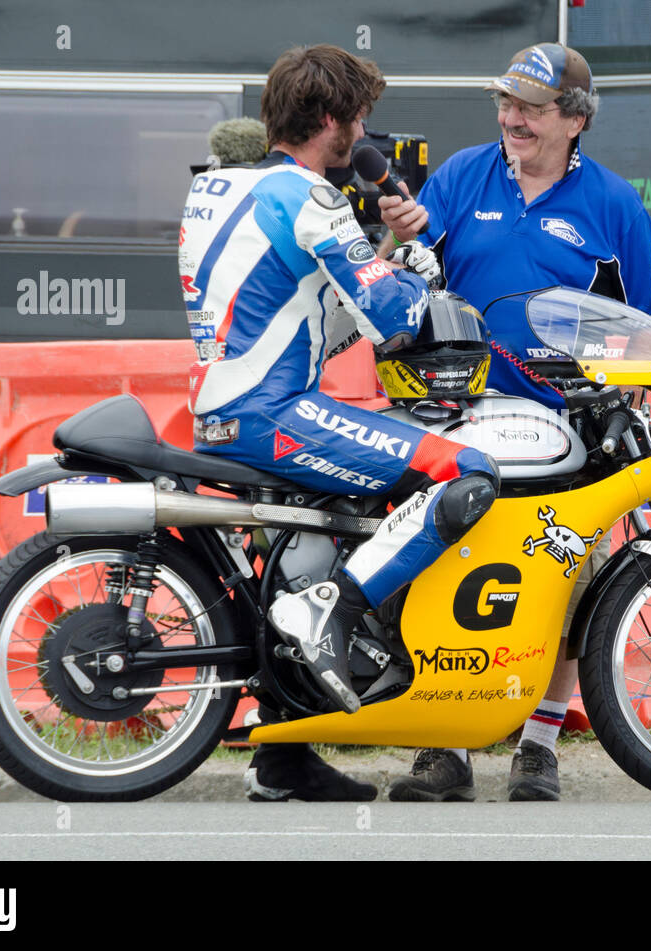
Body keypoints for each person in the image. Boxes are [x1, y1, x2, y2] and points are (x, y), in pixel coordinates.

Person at [178, 45, 498, 800]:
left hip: (220, 410)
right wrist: (417, 267)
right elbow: (387, 317)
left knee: (300, 562)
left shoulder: (221, 189)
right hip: (275, 413)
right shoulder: (312, 198)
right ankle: (338, 614)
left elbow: (320, 318)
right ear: (330, 120)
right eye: (360, 120)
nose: (365, 135)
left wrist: (381, 247)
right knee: (466, 470)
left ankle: (282, 763)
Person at [375, 42, 651, 800]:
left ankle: (539, 742)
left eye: (531, 109)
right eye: (506, 105)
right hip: (458, 410)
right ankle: (447, 748)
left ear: (575, 120)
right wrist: (400, 234)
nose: (512, 119)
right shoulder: (460, 174)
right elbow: (404, 276)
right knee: (443, 561)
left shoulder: (614, 204)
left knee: (569, 577)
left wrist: (636, 401)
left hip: (567, 418)